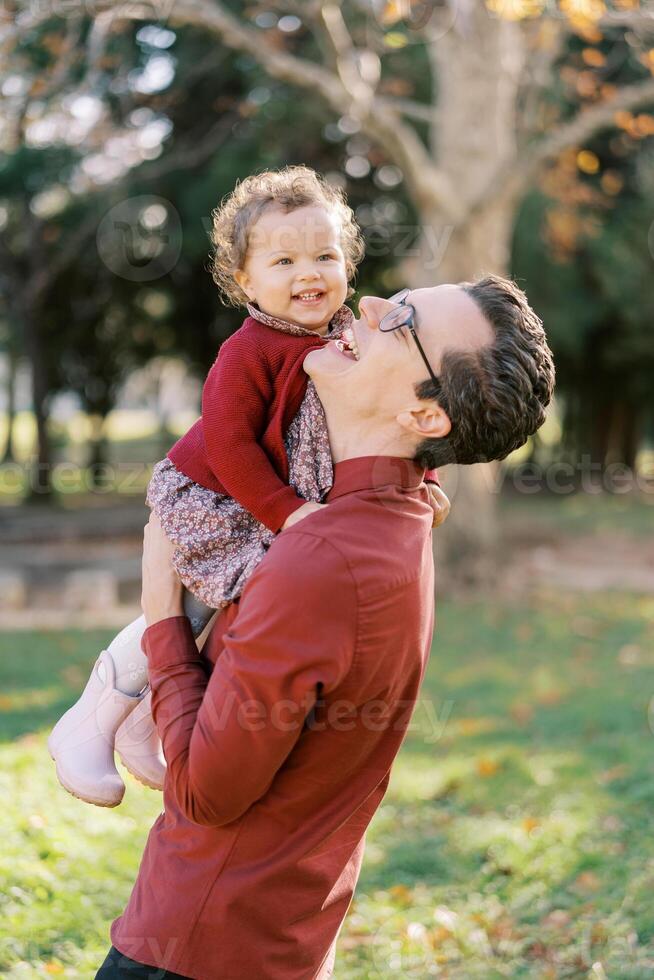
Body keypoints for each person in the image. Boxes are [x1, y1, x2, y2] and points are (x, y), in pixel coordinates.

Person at [96, 274, 555, 978]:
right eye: (395, 294)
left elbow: (204, 794)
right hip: (278, 939)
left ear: (425, 417)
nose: (368, 304)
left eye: (401, 319)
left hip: (194, 944)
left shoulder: (324, 555)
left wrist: (161, 612)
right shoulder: (396, 520)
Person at [47, 167, 446, 808]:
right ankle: (92, 717)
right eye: (283, 261)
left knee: (238, 619)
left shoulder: (350, 336)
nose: (308, 274)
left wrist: (421, 478)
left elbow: (373, 417)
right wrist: (285, 513)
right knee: (196, 607)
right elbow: (231, 445)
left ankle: (151, 722)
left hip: (276, 504)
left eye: (324, 255)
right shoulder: (250, 351)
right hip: (220, 493)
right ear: (245, 282)